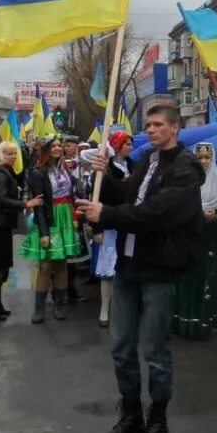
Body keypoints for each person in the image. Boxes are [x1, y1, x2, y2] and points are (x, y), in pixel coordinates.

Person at [76, 105, 205, 433]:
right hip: (128, 266)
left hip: (159, 268)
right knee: (121, 347)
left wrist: (108, 214)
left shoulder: (186, 169)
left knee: (156, 351)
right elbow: (130, 198)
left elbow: (159, 214)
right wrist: (109, 179)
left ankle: (158, 421)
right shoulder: (146, 159)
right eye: (148, 125)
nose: (151, 130)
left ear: (175, 128)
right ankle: (130, 414)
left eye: (158, 125)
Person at [172, 142, 217, 341]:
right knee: (186, 281)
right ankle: (182, 323)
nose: (204, 161)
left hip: (212, 243)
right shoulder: (185, 183)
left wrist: (215, 218)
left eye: (207, 157)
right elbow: (176, 212)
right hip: (189, 241)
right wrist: (197, 215)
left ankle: (206, 323)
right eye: (200, 158)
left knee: (209, 282)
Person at [0, 142, 43, 323]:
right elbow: (1, 198)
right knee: (0, 266)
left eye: (14, 153)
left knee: (2, 266)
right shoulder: (0, 174)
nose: (13, 156)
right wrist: (25, 204)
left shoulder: (4, 172)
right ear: (0, 155)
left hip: (0, 224)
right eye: (8, 153)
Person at [22, 140, 80, 323]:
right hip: (49, 217)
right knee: (46, 264)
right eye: (52, 146)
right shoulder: (37, 173)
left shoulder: (65, 169)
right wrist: (44, 232)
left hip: (66, 216)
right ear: (46, 150)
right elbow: (39, 206)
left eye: (58, 145)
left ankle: (60, 304)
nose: (57, 148)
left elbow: (73, 191)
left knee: (62, 263)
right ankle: (39, 309)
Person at [90, 132, 133, 328]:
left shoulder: (135, 166)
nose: (130, 146)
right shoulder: (105, 172)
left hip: (130, 224)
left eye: (131, 143)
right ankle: (104, 309)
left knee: (125, 268)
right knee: (108, 269)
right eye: (126, 143)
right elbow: (96, 201)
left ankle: (121, 308)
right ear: (117, 145)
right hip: (110, 226)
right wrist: (97, 228)